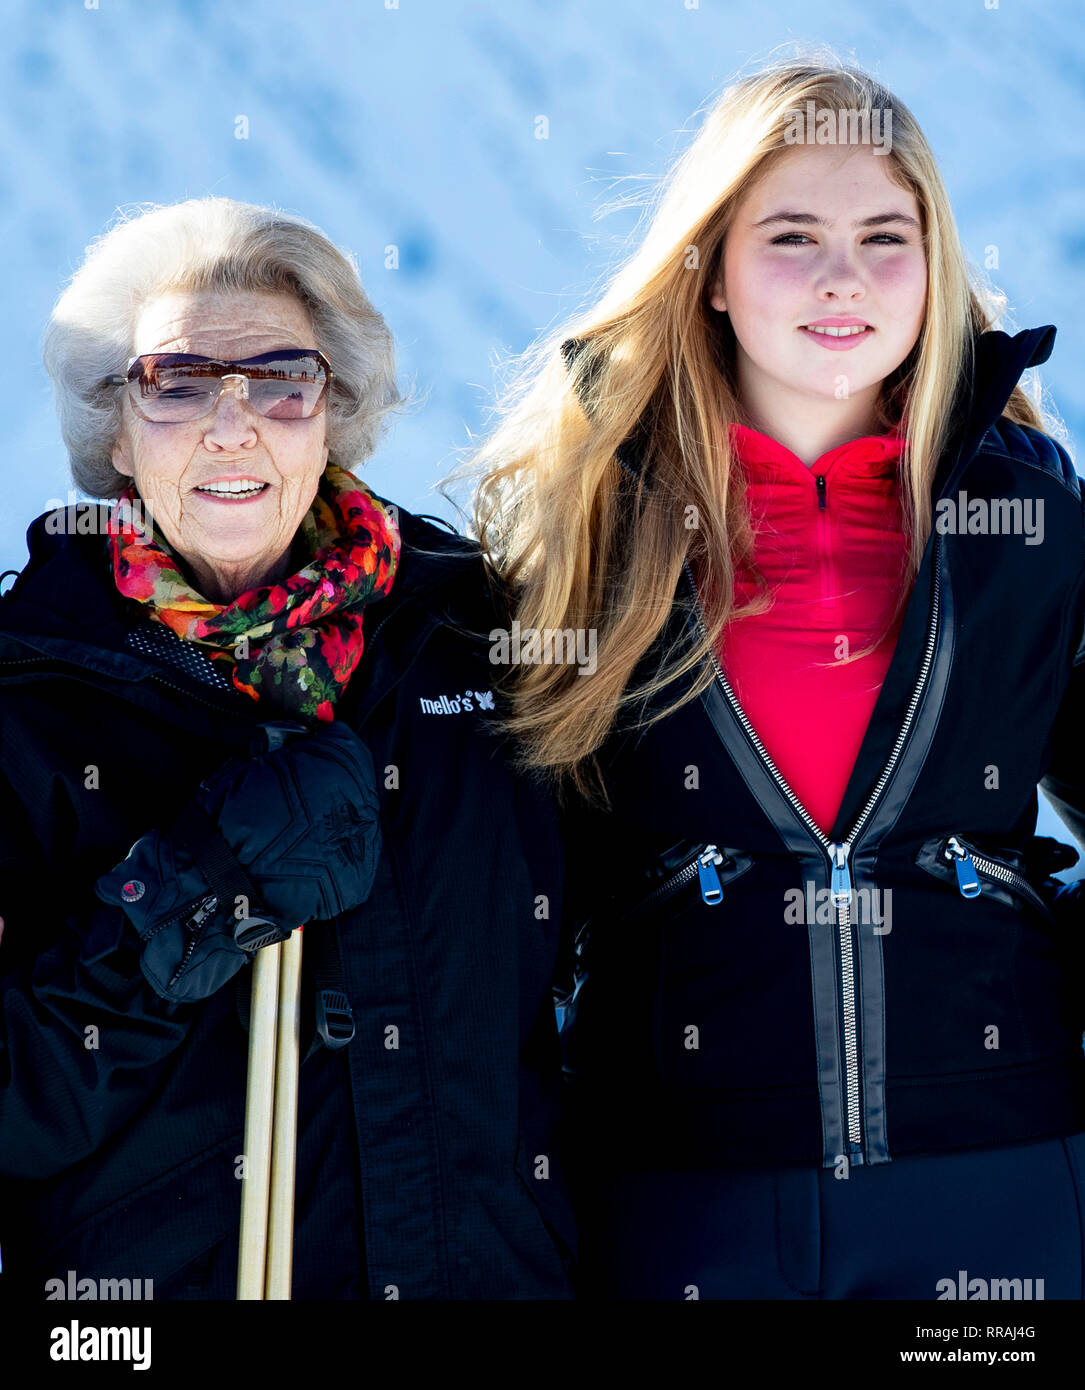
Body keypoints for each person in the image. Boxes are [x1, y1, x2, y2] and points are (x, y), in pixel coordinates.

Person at [464, 59, 1085, 1298]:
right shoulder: (586, 531)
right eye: (790, 236)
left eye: (882, 236)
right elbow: (502, 877)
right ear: (707, 270)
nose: (841, 276)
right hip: (685, 1187)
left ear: (933, 264)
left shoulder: (1029, 521)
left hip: (994, 1172)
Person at [0, 196, 576, 1300]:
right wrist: (190, 897)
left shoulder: (485, 649)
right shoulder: (26, 701)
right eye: (175, 382)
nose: (232, 423)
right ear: (114, 426)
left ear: (333, 411)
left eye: (280, 378)